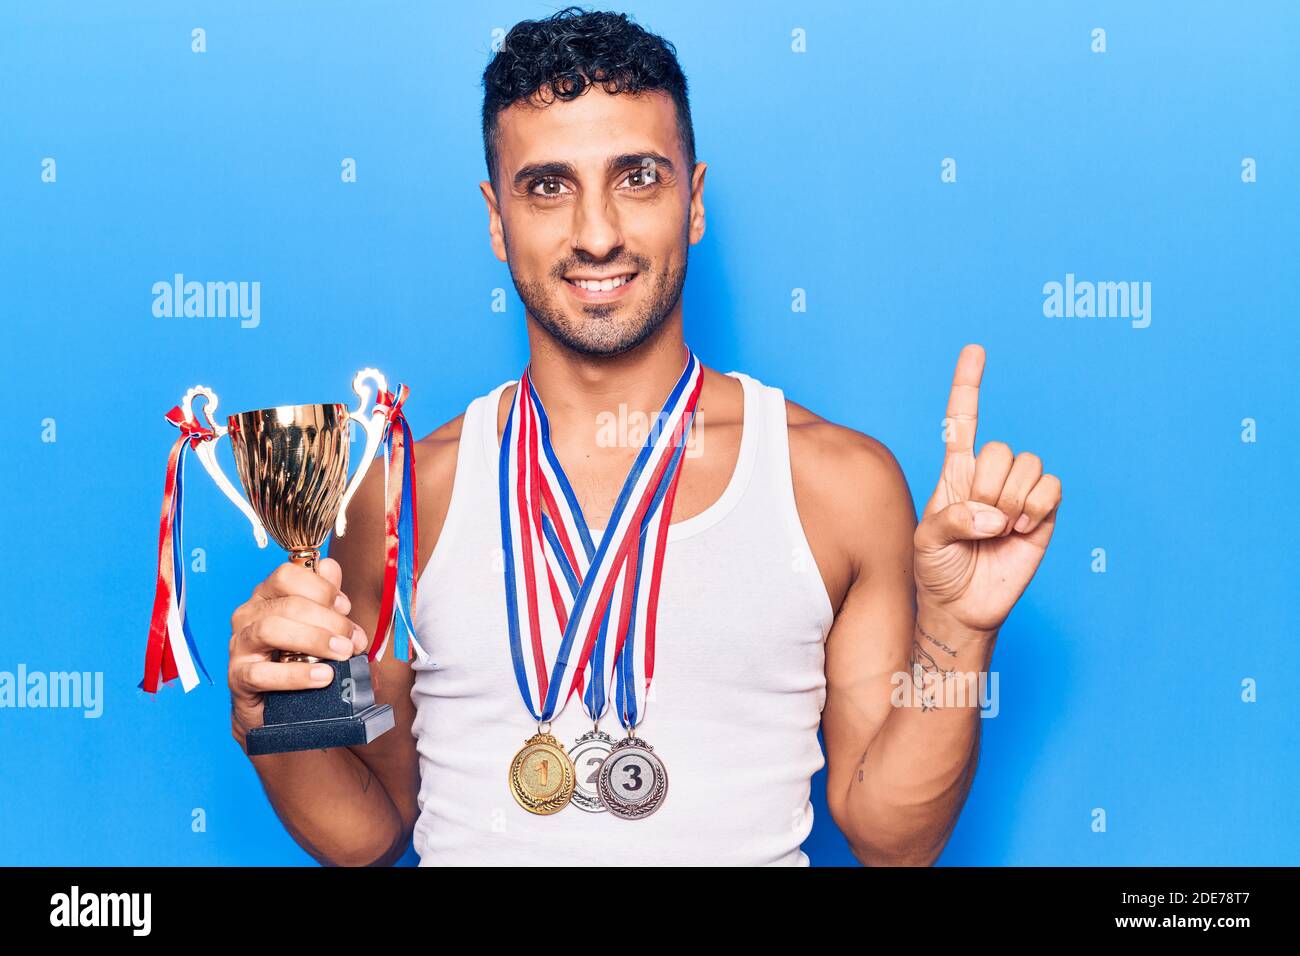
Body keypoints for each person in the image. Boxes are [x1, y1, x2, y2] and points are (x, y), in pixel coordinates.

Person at [226, 7, 1061, 866]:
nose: (597, 234)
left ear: (693, 201)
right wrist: (268, 719)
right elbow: (367, 833)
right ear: (495, 217)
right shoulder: (404, 492)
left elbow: (894, 839)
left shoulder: (837, 484)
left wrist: (959, 631)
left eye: (637, 177)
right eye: (548, 186)